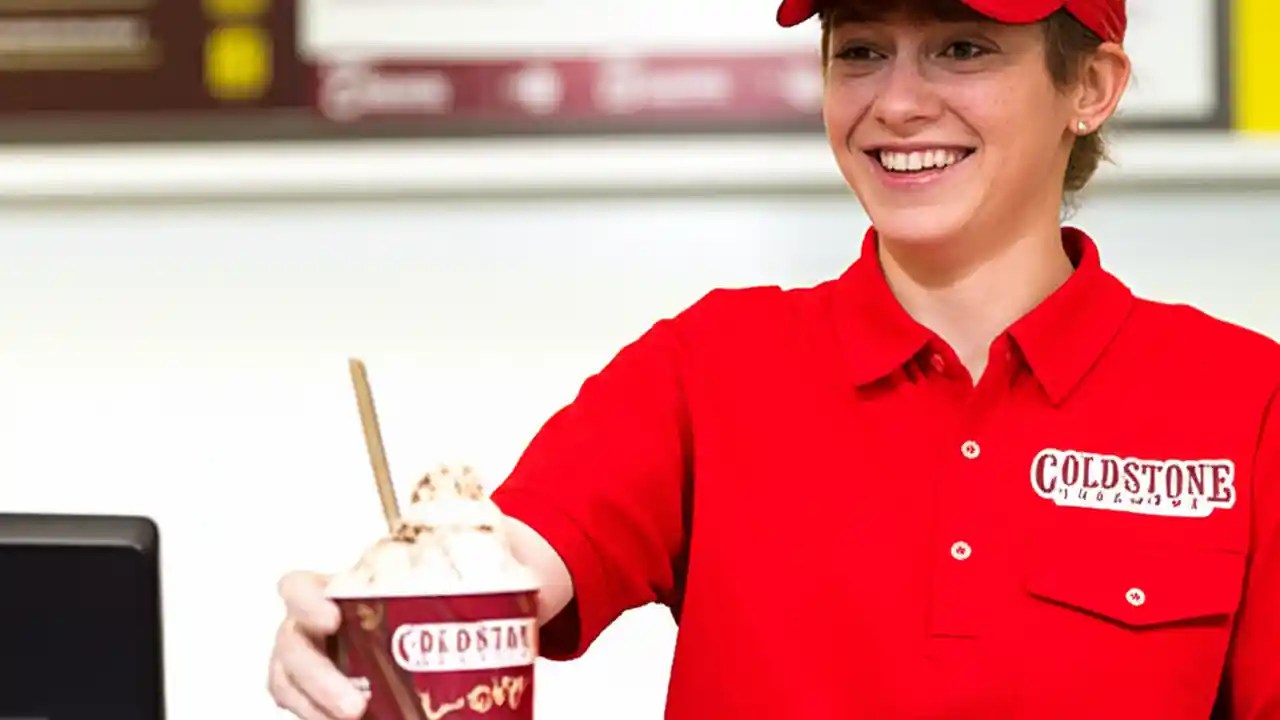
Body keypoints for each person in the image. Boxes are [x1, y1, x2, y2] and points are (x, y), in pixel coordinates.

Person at [268, 0, 1280, 717]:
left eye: (961, 49)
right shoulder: (709, 365)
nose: (894, 102)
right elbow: (511, 568)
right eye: (859, 50)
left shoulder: (1244, 398)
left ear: (1089, 89)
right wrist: (371, 622)